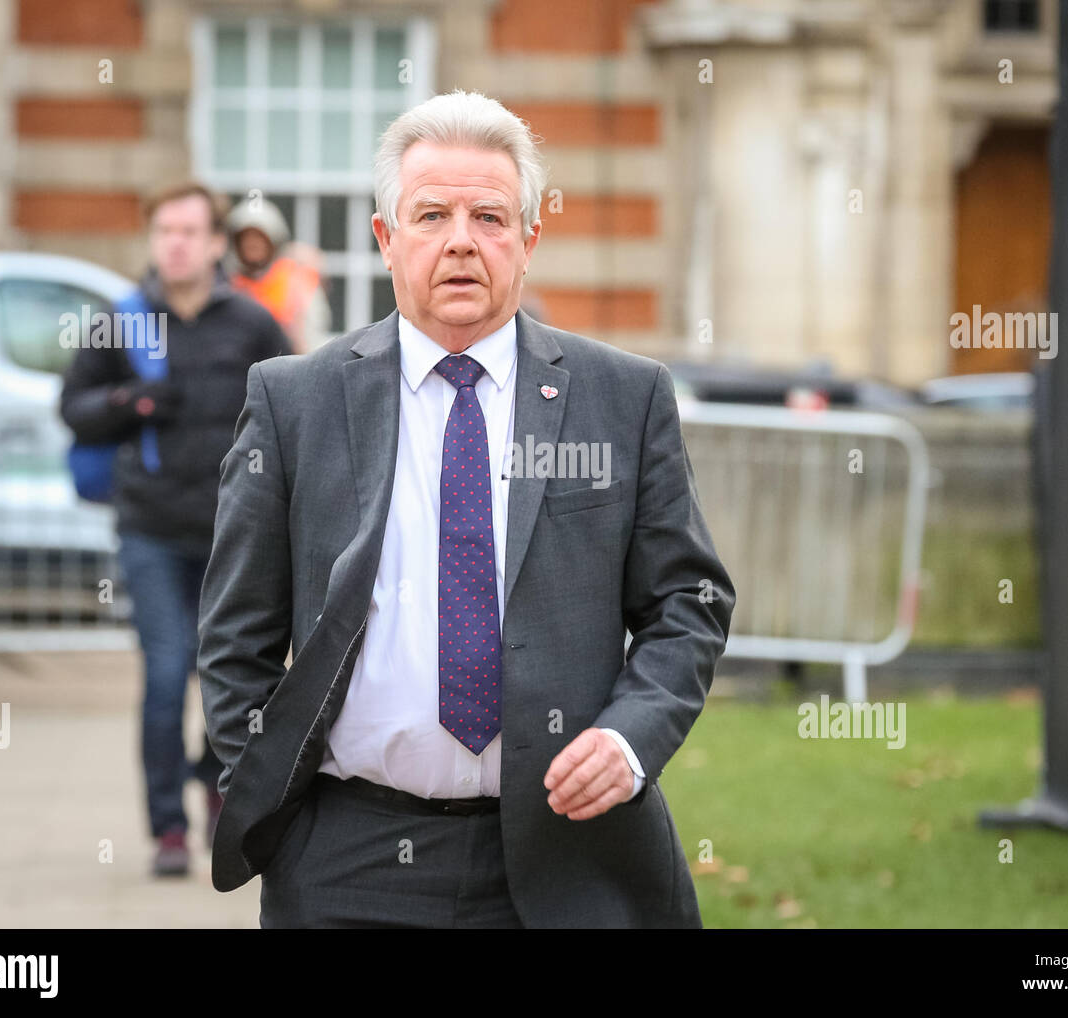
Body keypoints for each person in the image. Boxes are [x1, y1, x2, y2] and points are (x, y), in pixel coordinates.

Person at [197, 90, 735, 927]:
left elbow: (688, 604)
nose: (460, 241)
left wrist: (632, 739)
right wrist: (271, 808)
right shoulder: (292, 402)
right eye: (431, 215)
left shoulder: (622, 398)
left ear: (528, 240)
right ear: (386, 239)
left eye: (489, 216)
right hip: (346, 859)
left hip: (572, 857)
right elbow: (237, 636)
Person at [60, 182, 292, 878]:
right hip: (151, 530)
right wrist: (130, 400)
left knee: (236, 678)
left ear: (218, 243)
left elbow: (297, 412)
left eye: (190, 231)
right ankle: (167, 829)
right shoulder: (122, 320)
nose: (176, 243)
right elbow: (73, 407)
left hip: (235, 533)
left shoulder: (252, 324)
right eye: (165, 230)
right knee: (166, 674)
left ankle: (217, 781)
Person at [225, 196, 332, 353]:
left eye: (259, 238)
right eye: (246, 238)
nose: (252, 244)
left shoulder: (296, 281)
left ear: (274, 240)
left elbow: (313, 338)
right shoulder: (227, 284)